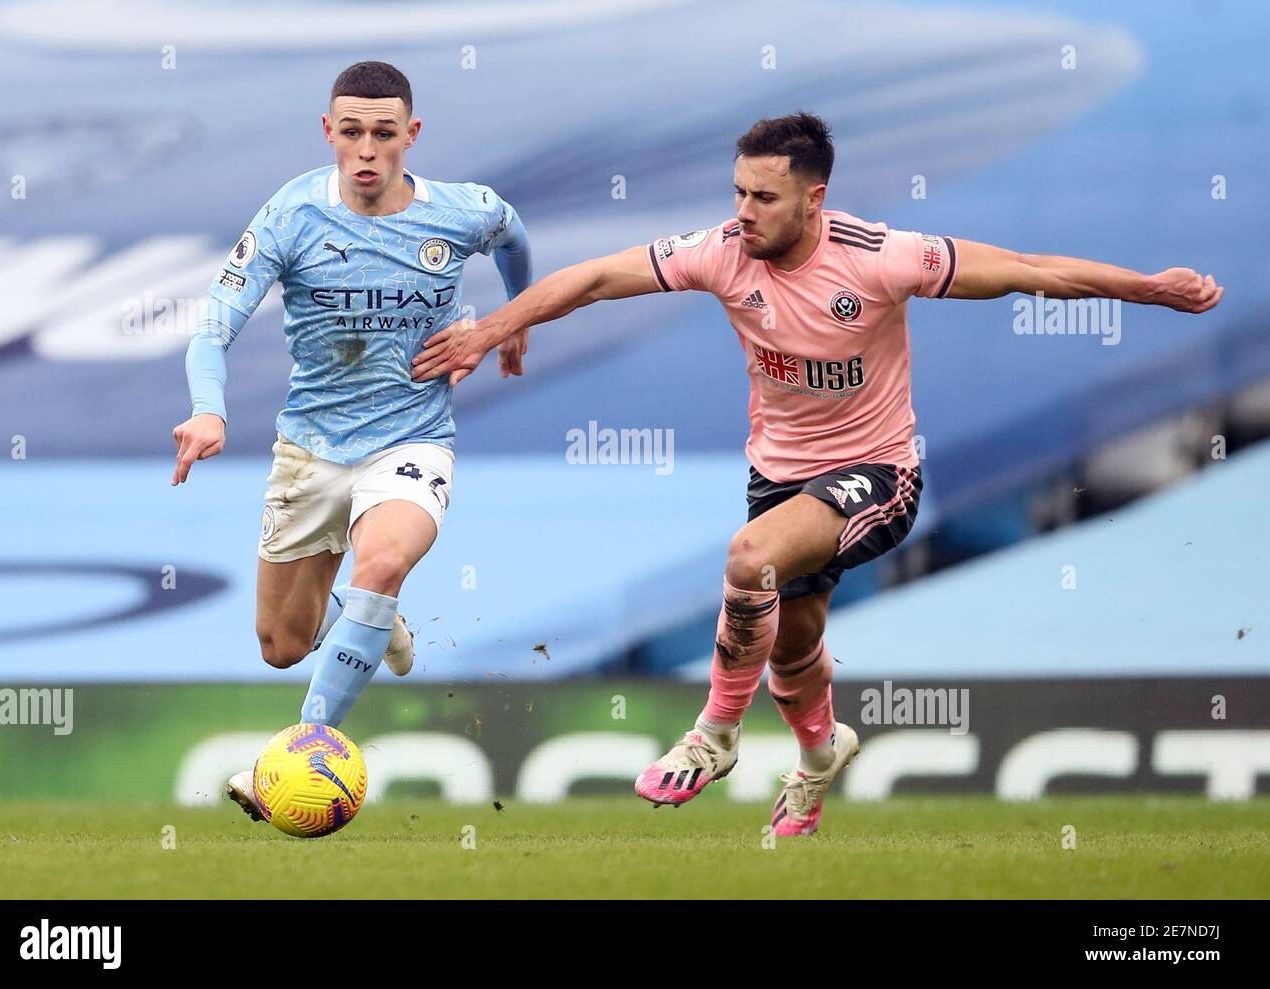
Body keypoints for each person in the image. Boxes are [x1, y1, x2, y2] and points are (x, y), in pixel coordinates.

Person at [411, 111, 1221, 836]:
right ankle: (818, 754)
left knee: (746, 559)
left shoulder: (882, 259)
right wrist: (492, 329)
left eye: (763, 197)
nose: (743, 211)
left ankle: (715, 735)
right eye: (738, 192)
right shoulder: (721, 255)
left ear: (813, 199)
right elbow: (591, 278)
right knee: (793, 651)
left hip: (878, 473)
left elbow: (1025, 268)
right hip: (780, 476)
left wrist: (1149, 289)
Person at [171, 60, 531, 819]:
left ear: (412, 135)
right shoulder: (291, 214)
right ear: (329, 132)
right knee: (280, 641)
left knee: (386, 557)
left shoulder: (460, 212)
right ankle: (374, 619)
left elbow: (513, 235)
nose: (367, 149)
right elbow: (214, 323)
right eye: (352, 131)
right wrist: (209, 409)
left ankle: (300, 746)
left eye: (384, 133)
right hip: (311, 449)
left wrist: (512, 320)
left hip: (413, 437)